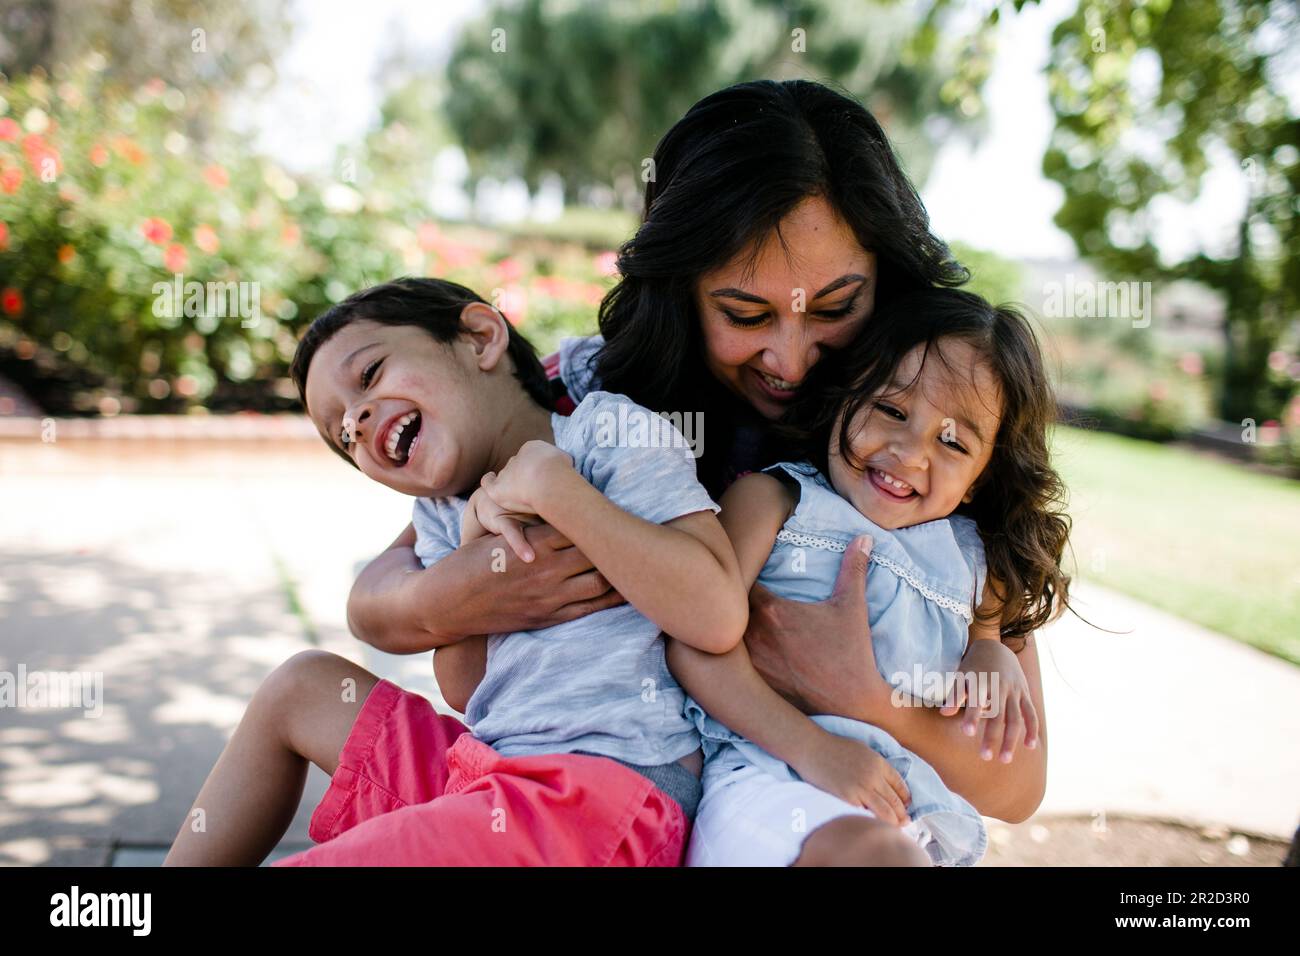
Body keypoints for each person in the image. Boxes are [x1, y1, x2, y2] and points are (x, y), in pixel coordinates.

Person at [348, 80, 1050, 861]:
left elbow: (1017, 785)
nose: (790, 359)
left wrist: (866, 700)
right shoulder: (589, 404)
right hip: (589, 805)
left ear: (886, 281)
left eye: (834, 308)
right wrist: (462, 594)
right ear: (681, 292)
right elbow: (380, 602)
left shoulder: (922, 440)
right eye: (745, 315)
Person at [162, 277, 746, 866]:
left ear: (479, 337)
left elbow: (717, 616)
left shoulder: (606, 432)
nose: (358, 422)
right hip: (488, 776)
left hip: (600, 797)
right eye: (343, 435)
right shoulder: (441, 514)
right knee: (301, 686)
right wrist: (474, 560)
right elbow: (467, 689)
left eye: (368, 377)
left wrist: (554, 490)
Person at [670, 288, 1070, 866]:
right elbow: (694, 644)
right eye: (892, 410)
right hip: (771, 780)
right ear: (846, 397)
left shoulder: (976, 565)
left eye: (953, 442)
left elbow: (1016, 776)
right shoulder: (775, 500)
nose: (909, 453)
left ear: (981, 477)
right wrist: (814, 749)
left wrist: (994, 657)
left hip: (906, 809)